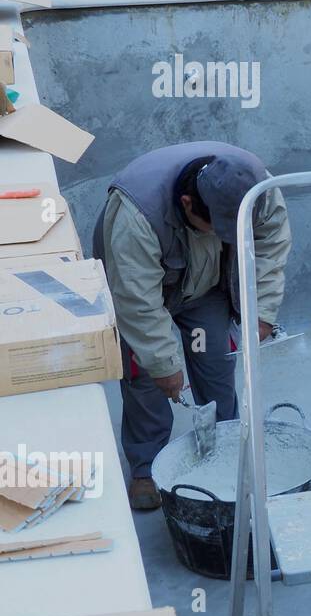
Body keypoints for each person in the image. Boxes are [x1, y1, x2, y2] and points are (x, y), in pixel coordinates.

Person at [92, 143, 291, 510]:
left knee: (215, 359)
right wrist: (165, 366)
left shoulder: (259, 190)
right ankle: (146, 467)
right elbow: (137, 301)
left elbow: (270, 246)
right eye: (217, 227)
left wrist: (262, 312)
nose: (225, 235)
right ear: (187, 203)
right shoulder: (136, 216)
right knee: (146, 376)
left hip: (206, 287)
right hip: (149, 286)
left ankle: (226, 448)